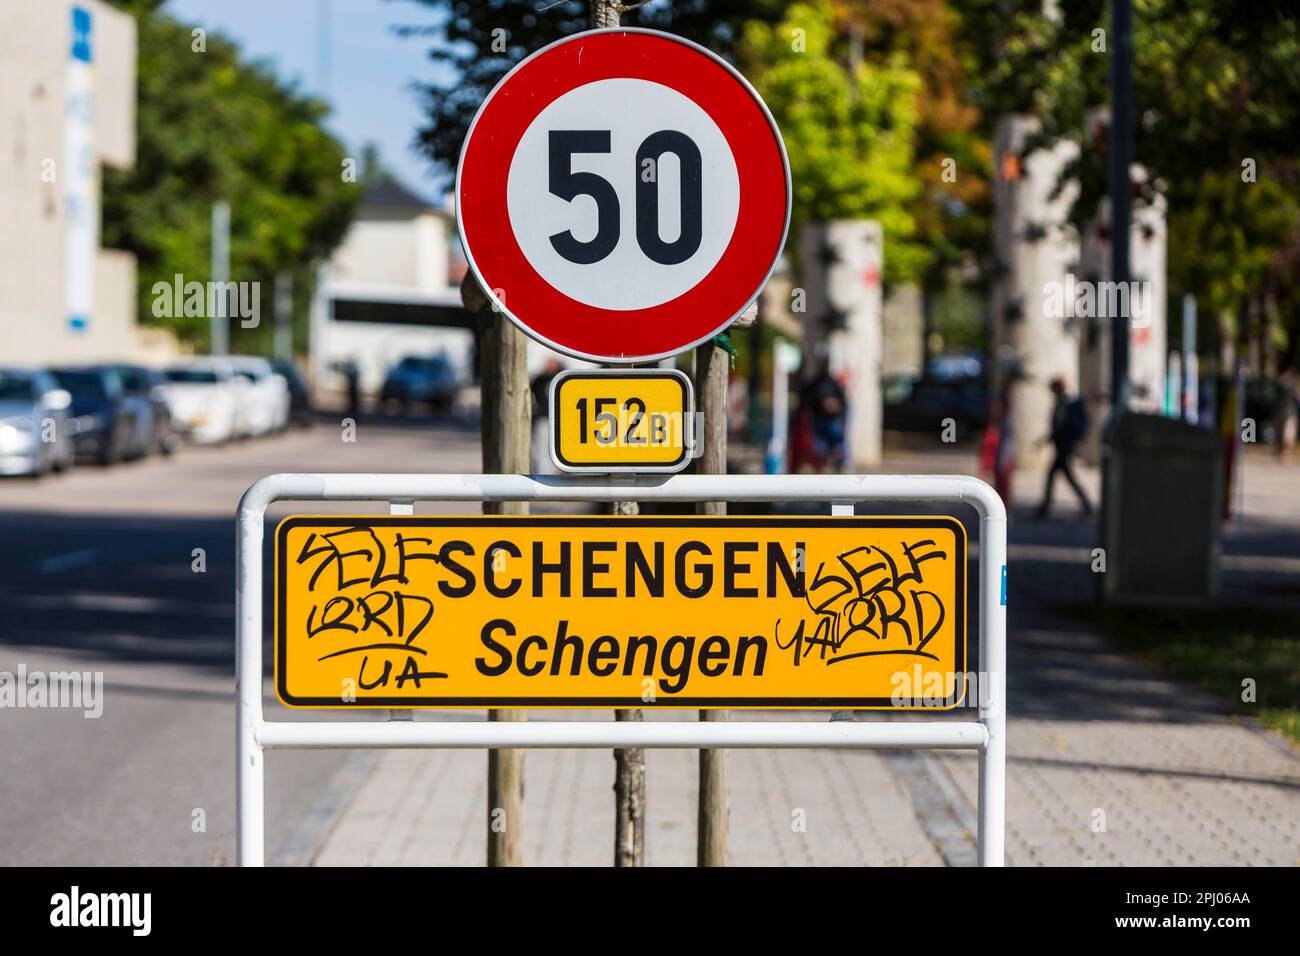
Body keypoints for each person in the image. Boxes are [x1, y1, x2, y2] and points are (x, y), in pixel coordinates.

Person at [1036, 376, 1092, 518]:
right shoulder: (1060, 403)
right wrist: (1044, 441)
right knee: (1065, 478)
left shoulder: (1068, 403)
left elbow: (1063, 426)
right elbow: (1056, 428)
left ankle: (1045, 507)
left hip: (1065, 447)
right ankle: (1086, 506)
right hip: (1061, 446)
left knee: (1059, 477)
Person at [799, 359, 847, 473]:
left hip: (832, 421)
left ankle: (836, 469)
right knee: (820, 451)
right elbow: (807, 402)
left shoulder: (833, 383)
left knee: (837, 448)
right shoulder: (815, 383)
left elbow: (843, 402)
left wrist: (834, 405)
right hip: (819, 421)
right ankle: (822, 471)